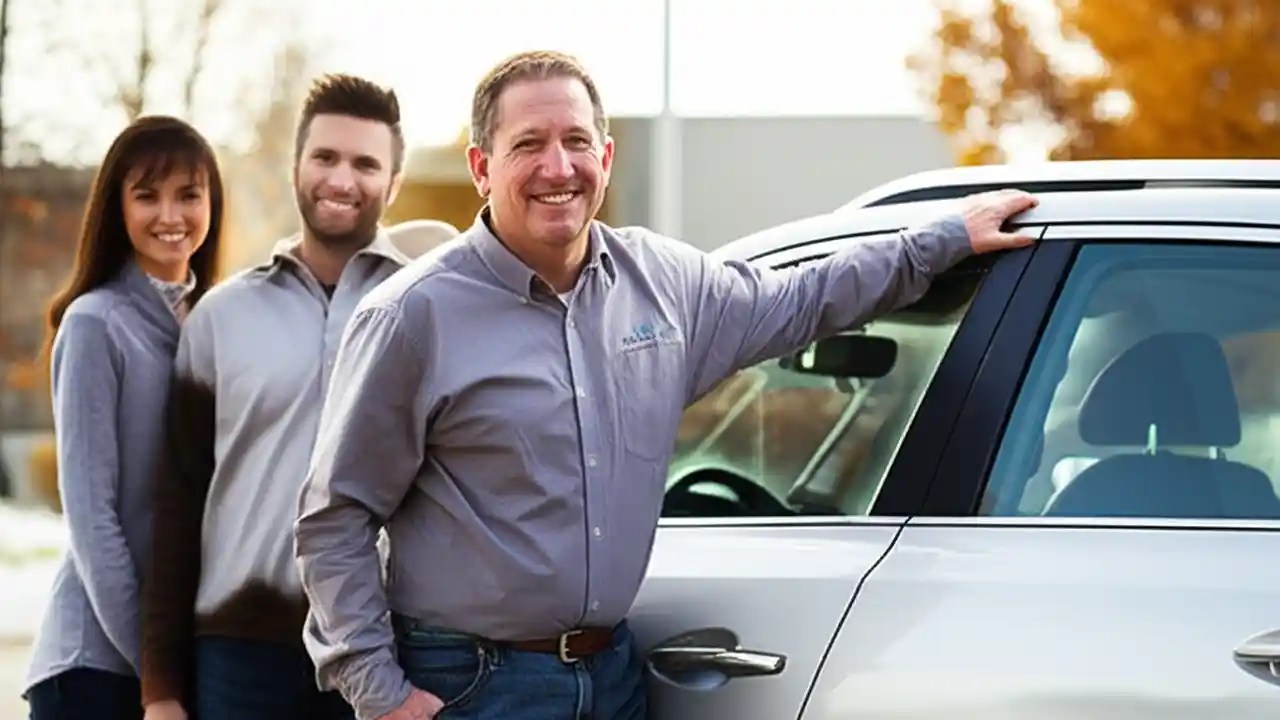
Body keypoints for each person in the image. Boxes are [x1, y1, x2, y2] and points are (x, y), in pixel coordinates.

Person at [294, 50, 1039, 720]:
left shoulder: (664, 284)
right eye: (528, 145)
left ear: (606, 156)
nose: (558, 168)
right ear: (482, 167)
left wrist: (943, 240)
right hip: (472, 685)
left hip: (613, 675)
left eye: (576, 142)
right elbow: (336, 516)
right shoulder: (412, 317)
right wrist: (379, 693)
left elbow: (802, 298)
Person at [139, 74, 411, 720]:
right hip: (239, 654)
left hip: (384, 648)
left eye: (366, 163)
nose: (342, 180)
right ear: (296, 167)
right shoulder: (220, 317)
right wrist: (161, 690)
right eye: (325, 157)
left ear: (393, 183)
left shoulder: (427, 306)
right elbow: (177, 503)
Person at [23, 115, 226, 720]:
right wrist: (155, 677)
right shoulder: (96, 324)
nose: (170, 215)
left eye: (188, 195)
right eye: (147, 196)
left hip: (178, 663)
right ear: (117, 207)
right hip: (95, 671)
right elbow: (92, 517)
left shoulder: (214, 324)